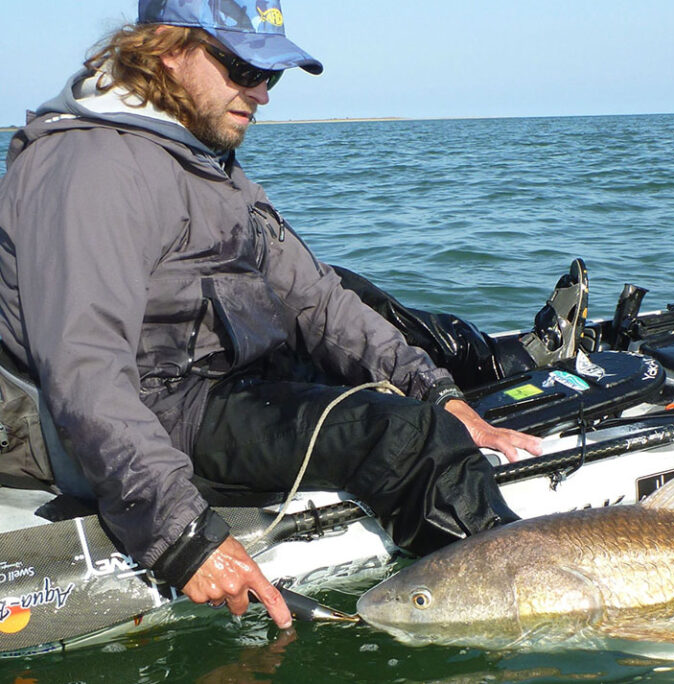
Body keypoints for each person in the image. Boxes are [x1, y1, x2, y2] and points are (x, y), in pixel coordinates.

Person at [0, 0, 588, 629]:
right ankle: (547, 605)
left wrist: (438, 394)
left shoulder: (199, 159)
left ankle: (498, 370)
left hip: (218, 376)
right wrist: (182, 536)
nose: (259, 93)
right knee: (403, 438)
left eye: (269, 74)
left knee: (369, 304)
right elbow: (85, 373)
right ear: (166, 50)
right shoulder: (92, 168)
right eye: (240, 68)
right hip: (153, 409)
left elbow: (318, 299)